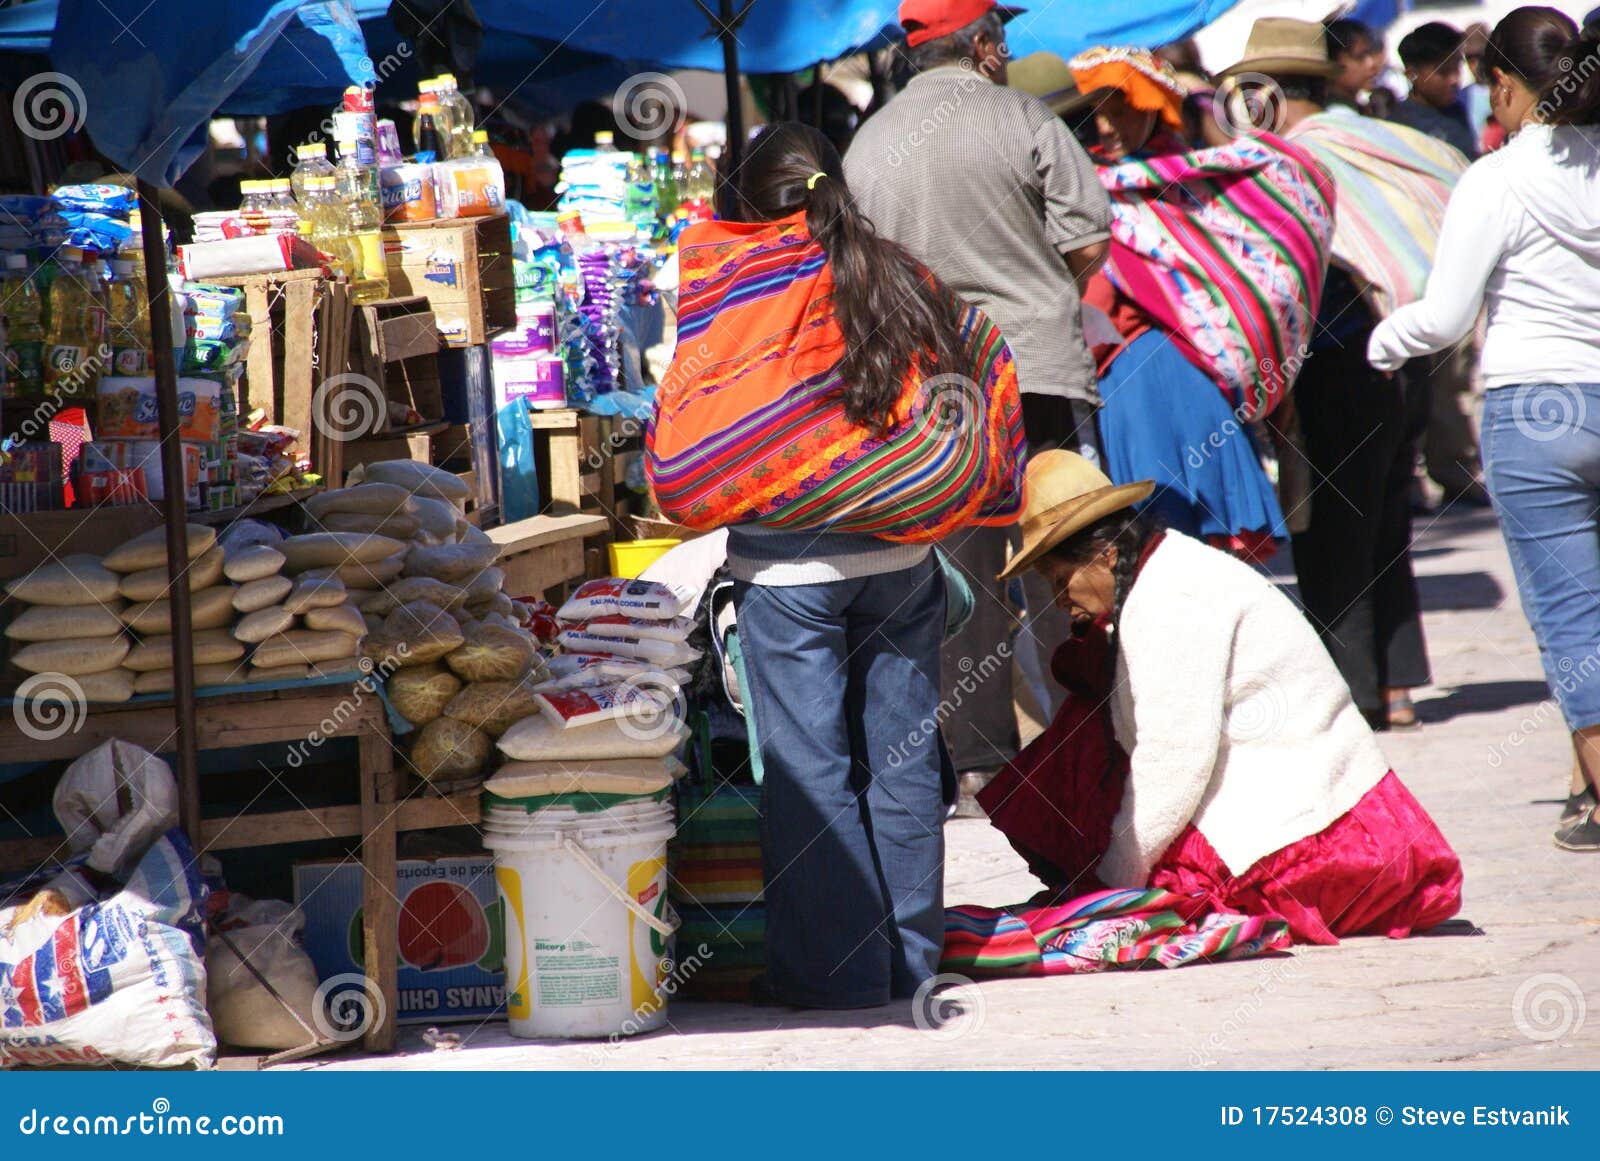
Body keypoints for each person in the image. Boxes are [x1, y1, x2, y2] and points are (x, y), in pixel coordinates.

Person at [648, 122, 1026, 1006]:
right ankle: (909, 961)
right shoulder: (894, 269)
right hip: (902, 560)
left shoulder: (734, 281)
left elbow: (692, 433)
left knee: (810, 772)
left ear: (740, 205)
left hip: (789, 578)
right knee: (899, 760)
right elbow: (983, 350)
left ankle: (833, 974)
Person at [977, 451, 1464, 943]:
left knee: (1176, 895)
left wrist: (1115, 886)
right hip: (1323, 800)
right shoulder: (1159, 572)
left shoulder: (1170, 600)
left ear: (1105, 555)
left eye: (1063, 582)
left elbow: (1174, 758)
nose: (1061, 602)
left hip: (1325, 832)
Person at [845, 0, 1112, 803]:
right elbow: (1089, 242)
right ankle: (1091, 727)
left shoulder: (871, 142)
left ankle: (976, 758)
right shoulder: (1025, 118)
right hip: (1034, 371)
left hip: (934, 390)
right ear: (988, 46)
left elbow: (858, 273)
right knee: (1067, 556)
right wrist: (1034, 290)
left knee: (959, 571)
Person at [1369, 9, 1600, 851]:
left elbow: (1444, 317)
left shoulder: (1494, 180)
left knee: (1575, 621)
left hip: (1536, 413)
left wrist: (1378, 340)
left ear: (1502, 83)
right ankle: (1585, 794)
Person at [1219, 18, 1468, 731]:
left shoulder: (1286, 161)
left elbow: (1282, 290)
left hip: (1332, 369)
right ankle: (1399, 687)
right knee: (1386, 520)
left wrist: (1276, 389)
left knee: (1332, 533)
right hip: (1403, 357)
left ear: (1263, 93)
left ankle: (1353, 697)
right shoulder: (1379, 138)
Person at [1016, 46, 1330, 560]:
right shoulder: (1082, 185)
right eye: (1097, 115)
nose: (1109, 128)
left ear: (1153, 109)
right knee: (1167, 555)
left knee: (1171, 553)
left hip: (1161, 383)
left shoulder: (1183, 184)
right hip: (1130, 387)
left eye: (1122, 110)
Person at [1391, 21, 1480, 159]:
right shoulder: (1398, 126)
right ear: (1412, 74)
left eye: (1457, 67)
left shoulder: (1457, 111)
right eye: (1444, 72)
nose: (1455, 79)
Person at [1323, 17, 1387, 111]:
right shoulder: (1330, 115)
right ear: (1331, 64)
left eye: (1369, 54)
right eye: (1359, 57)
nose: (1371, 64)